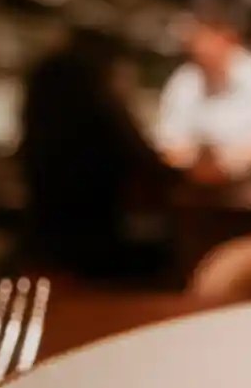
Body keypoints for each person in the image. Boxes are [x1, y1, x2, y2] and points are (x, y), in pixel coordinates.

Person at [16, 30, 174, 281]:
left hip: (39, 247)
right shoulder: (104, 106)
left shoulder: (44, 97)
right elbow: (148, 167)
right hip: (100, 254)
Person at [155, 15, 251, 184]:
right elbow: (167, 145)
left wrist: (230, 158)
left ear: (228, 41)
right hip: (194, 184)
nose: (201, 51)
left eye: (207, 44)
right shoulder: (184, 81)